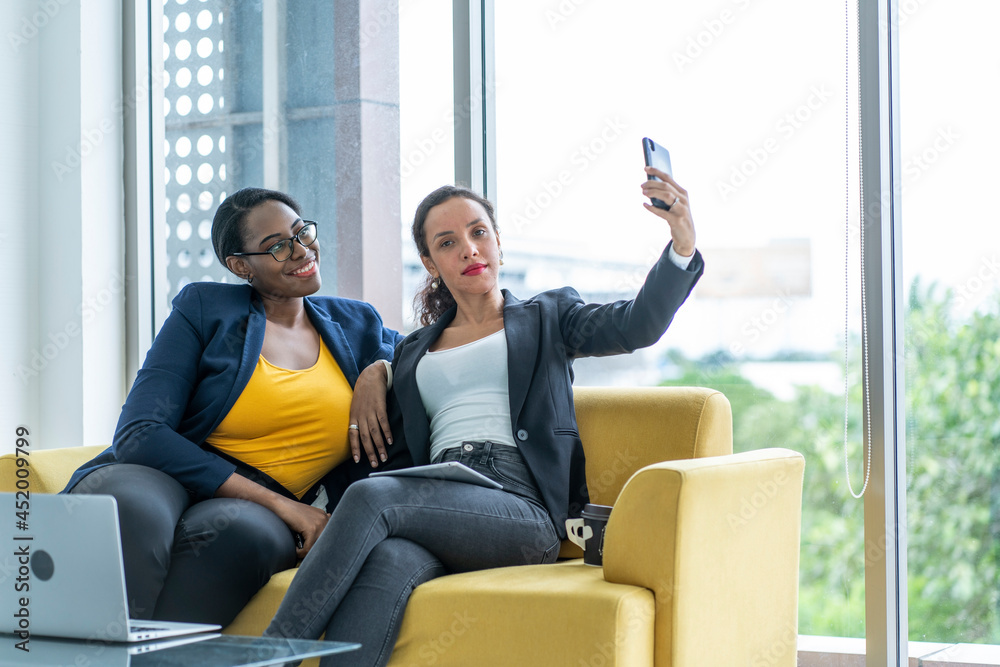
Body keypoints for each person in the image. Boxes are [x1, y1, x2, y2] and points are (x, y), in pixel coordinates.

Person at [264, 166, 704, 666]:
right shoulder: (413, 352)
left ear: (497, 243)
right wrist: (378, 370)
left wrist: (681, 244)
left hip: (520, 509)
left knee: (372, 497)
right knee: (385, 564)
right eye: (448, 243)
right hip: (437, 501)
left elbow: (637, 325)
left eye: (478, 233)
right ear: (431, 264)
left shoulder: (548, 318)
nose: (469, 249)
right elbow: (387, 413)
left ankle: (266, 657)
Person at [62, 187, 402, 626]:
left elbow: (430, 350)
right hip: (164, 475)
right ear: (241, 266)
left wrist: (379, 370)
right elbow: (140, 431)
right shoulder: (205, 308)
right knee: (129, 508)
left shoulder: (358, 324)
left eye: (301, 233)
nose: (301, 250)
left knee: (242, 538)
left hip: (252, 513)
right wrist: (285, 507)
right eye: (277, 246)